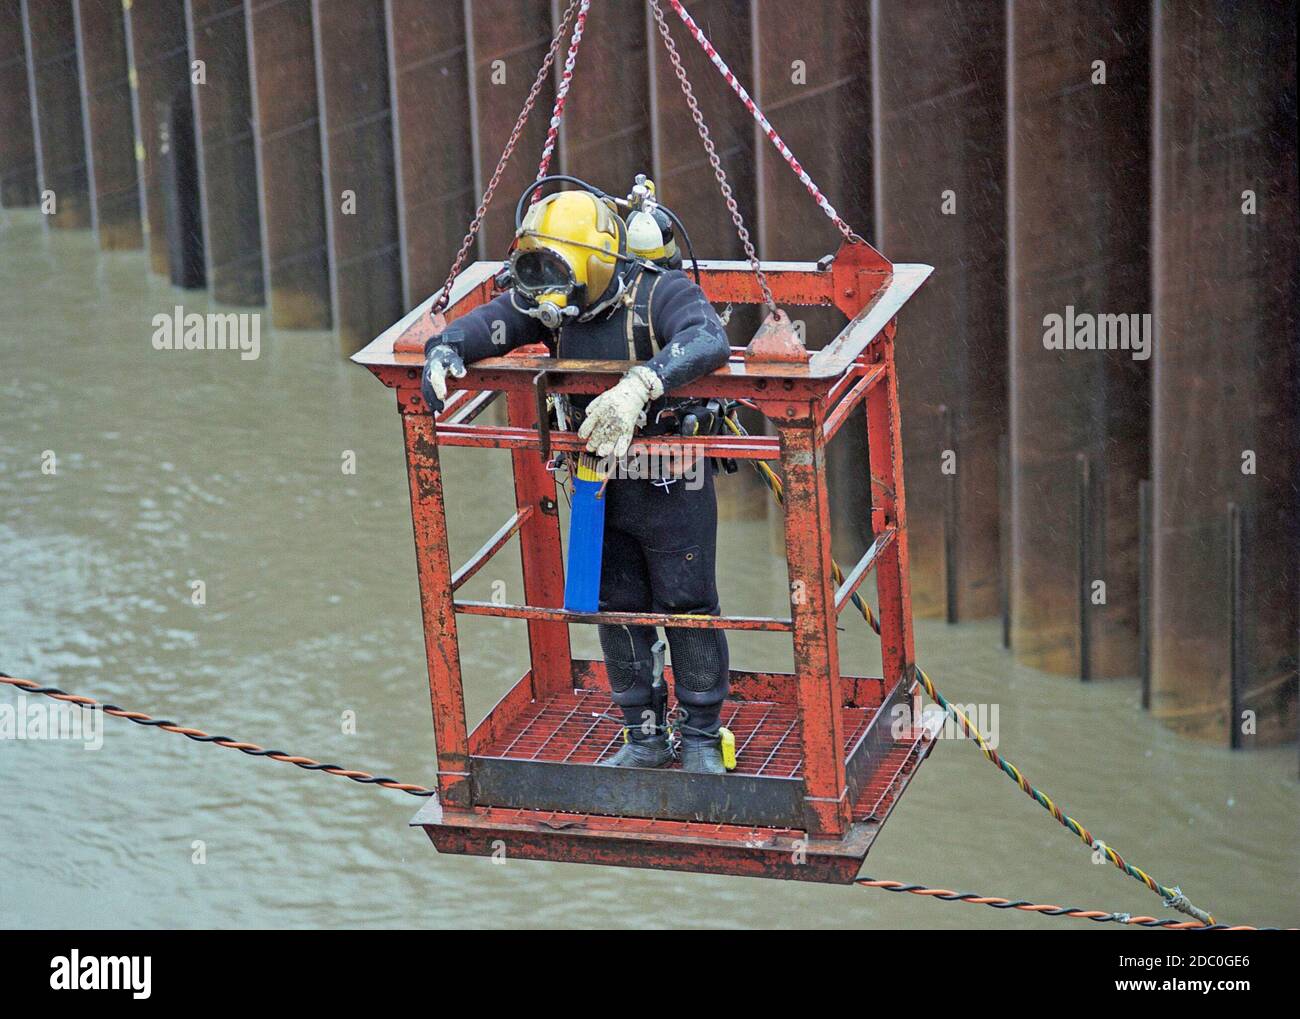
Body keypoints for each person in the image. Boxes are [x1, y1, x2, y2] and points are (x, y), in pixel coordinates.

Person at [421, 181, 731, 773]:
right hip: (599, 486)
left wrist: (642, 384)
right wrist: (445, 347)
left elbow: (707, 337)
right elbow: (492, 322)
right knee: (616, 608)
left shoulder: (659, 293)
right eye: (534, 277)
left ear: (592, 264)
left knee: (688, 606)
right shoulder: (553, 307)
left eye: (555, 275)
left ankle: (699, 738)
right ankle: (643, 736)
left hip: (673, 484)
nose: (544, 296)